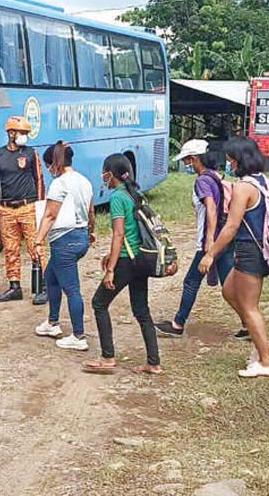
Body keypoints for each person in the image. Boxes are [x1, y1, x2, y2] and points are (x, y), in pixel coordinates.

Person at [199, 138, 269, 378]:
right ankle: (264, 343)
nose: (228, 163)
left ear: (238, 160)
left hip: (249, 251)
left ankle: (267, 361)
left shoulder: (243, 187)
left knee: (249, 308)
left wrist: (211, 253)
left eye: (230, 159)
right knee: (228, 291)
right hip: (255, 249)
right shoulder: (262, 181)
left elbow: (231, 226)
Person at [83, 154, 168, 375]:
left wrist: (110, 269)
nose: (103, 176)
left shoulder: (118, 198)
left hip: (125, 262)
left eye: (104, 171)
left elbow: (119, 234)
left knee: (99, 303)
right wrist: (109, 257)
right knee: (141, 310)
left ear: (110, 174)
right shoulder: (136, 194)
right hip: (141, 259)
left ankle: (107, 357)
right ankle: (153, 362)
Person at [155, 139, 240, 339]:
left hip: (211, 241)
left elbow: (210, 209)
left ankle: (178, 324)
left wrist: (209, 244)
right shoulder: (215, 177)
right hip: (225, 239)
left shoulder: (202, 180)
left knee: (191, 281)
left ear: (195, 159)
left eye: (187, 161)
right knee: (228, 286)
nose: (187, 165)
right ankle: (248, 322)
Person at [33, 142, 95, 350]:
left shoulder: (59, 184)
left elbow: (50, 215)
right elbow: (91, 210)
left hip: (64, 241)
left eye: (48, 165)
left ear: (54, 164)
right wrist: (91, 231)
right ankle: (52, 323)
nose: (48, 169)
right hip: (81, 237)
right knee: (51, 276)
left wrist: (38, 239)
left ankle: (78, 336)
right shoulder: (84, 181)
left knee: (72, 289)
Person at [0, 116, 47, 305]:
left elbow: (39, 180)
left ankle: (44, 286)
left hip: (28, 207)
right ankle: (15, 286)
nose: (24, 136)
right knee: (10, 250)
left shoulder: (31, 153)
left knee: (36, 247)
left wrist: (39, 207)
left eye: (25, 133)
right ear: (10, 133)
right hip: (6, 209)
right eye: (21, 132)